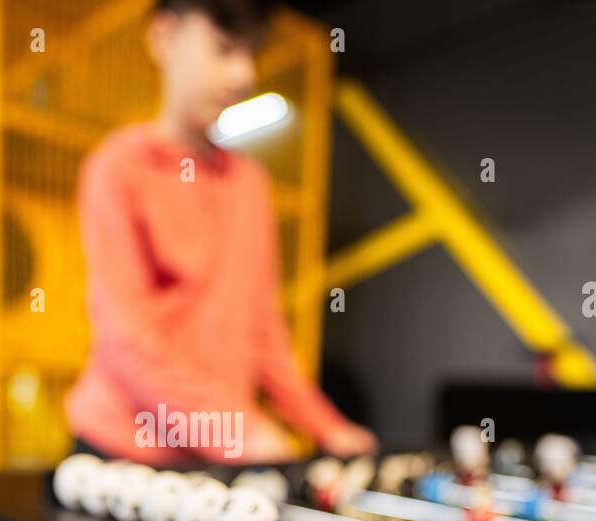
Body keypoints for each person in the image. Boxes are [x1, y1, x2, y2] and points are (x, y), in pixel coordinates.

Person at [65, 0, 377, 466]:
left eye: (251, 54)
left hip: (211, 457)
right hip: (119, 452)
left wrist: (326, 427)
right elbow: (127, 334)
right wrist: (235, 431)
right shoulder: (118, 168)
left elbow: (264, 330)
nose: (243, 75)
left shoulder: (249, 183)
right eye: (224, 49)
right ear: (165, 38)